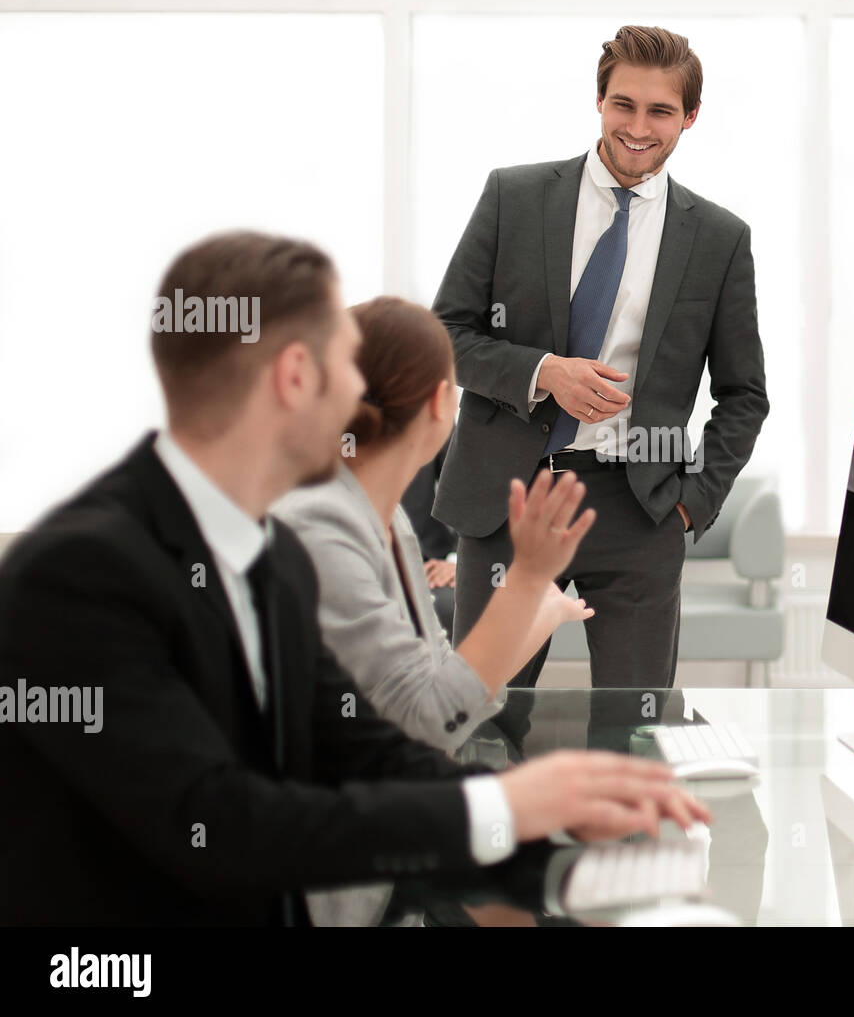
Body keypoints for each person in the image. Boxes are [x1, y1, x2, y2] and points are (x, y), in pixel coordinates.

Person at [0, 231, 708, 926]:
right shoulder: (80, 574)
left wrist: (559, 861)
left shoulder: (267, 558)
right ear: (296, 378)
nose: (361, 399)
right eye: (348, 366)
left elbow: (369, 756)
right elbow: (218, 821)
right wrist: (507, 805)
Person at [432, 24, 769, 689]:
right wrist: (543, 372)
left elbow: (745, 394)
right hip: (510, 497)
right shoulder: (514, 197)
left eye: (660, 111)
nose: (638, 127)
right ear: (599, 100)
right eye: (625, 104)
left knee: (634, 727)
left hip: (639, 505)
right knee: (487, 716)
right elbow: (445, 335)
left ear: (689, 117)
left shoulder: (720, 238)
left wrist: (691, 504)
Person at [272, 296, 597, 925]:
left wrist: (542, 606)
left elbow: (440, 688)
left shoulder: (385, 519)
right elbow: (429, 716)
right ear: (441, 406)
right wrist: (528, 579)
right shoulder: (318, 528)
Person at [400, 446, 458, 635]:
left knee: (453, 606)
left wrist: (457, 559)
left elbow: (471, 491)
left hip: (430, 563)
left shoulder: (433, 419)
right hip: (353, 557)